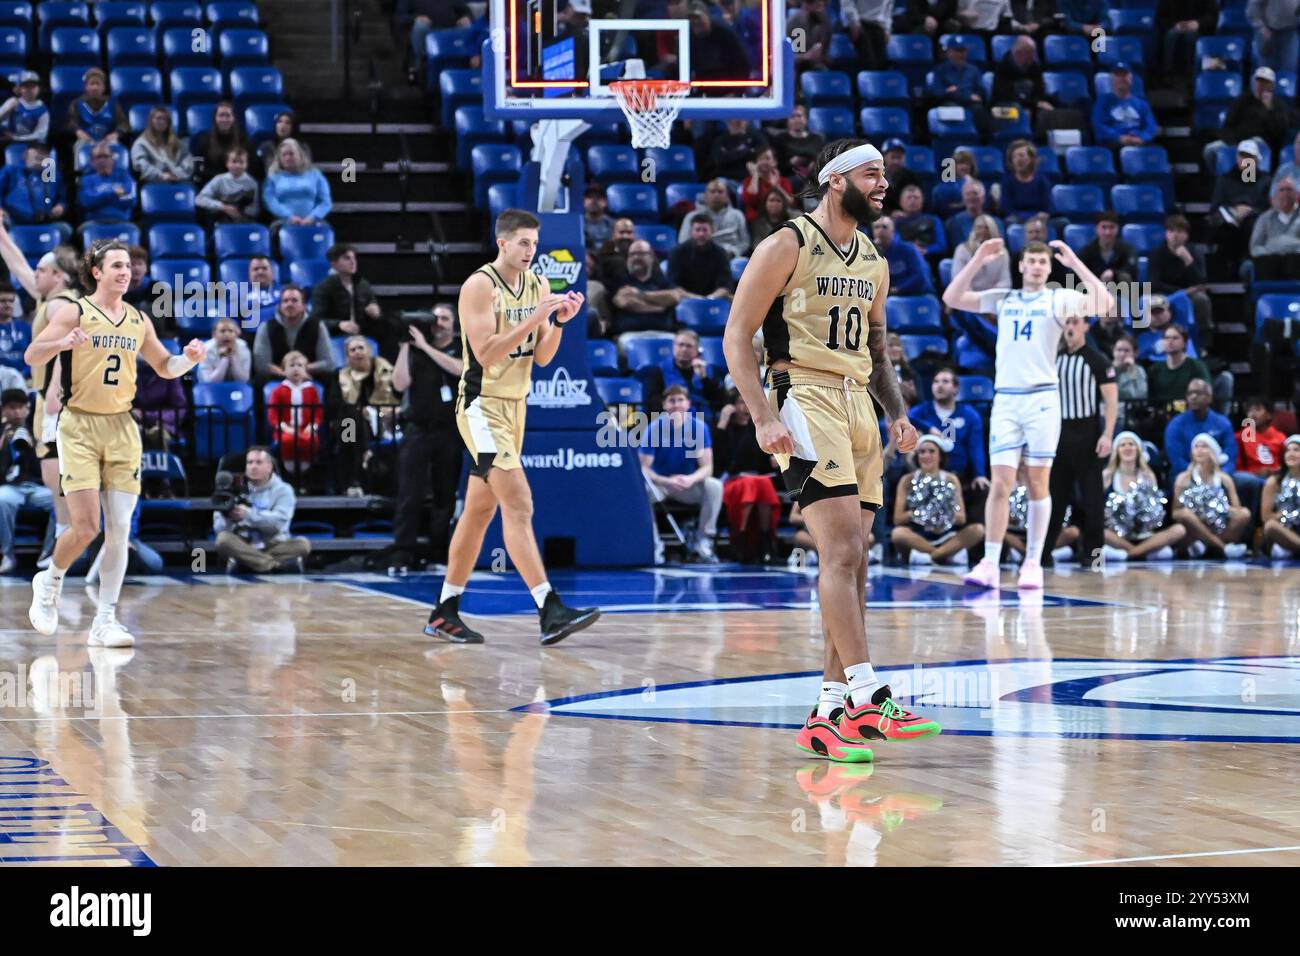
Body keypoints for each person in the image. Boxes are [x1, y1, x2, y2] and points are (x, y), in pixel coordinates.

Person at [723, 138, 939, 762]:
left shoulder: (873, 257)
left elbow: (877, 350)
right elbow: (738, 336)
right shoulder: (785, 244)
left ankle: (825, 711)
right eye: (872, 175)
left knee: (854, 563)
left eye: (884, 178)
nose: (882, 187)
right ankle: (868, 697)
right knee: (841, 550)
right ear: (834, 179)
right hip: (802, 393)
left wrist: (898, 414)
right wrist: (762, 415)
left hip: (858, 407)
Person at [423, 209, 600, 645]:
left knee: (480, 511)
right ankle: (549, 608)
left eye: (534, 244)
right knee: (518, 504)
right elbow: (484, 354)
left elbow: (542, 357)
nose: (530, 251)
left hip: (516, 409)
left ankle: (445, 611)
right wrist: (534, 317)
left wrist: (556, 322)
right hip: (481, 406)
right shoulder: (479, 286)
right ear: (501, 242)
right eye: (522, 243)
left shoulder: (539, 283)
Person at [24, 240, 206, 647]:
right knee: (87, 526)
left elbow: (165, 366)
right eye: (118, 266)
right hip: (79, 427)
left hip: (123, 428)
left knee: (119, 529)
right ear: (97, 272)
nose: (126, 272)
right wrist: (61, 344)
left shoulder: (139, 319)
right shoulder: (76, 311)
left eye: (129, 266)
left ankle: (105, 620)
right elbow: (32, 356)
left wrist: (189, 358)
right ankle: (49, 581)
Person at [945, 236, 1114, 589]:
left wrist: (1076, 264)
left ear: (1049, 268)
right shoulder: (1005, 298)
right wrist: (977, 260)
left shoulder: (1058, 298)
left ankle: (1033, 562)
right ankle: (990, 563)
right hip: (1006, 399)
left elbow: (1105, 302)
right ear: (1021, 266)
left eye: (1042, 262)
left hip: (1042, 401)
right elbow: (952, 298)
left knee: (1038, 481)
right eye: (1031, 261)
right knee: (1001, 482)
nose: (1037, 267)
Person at [0, 225, 79, 569]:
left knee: (58, 470)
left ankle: (72, 534)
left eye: (43, 270)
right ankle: (67, 532)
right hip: (46, 394)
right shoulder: (49, 298)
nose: (35, 274)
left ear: (59, 276)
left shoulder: (64, 304)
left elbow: (69, 349)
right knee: (51, 470)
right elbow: (17, 263)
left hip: (58, 397)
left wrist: (54, 395)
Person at [391, 305, 463, 569]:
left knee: (445, 493)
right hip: (418, 429)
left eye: (445, 318)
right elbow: (399, 385)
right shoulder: (415, 350)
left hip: (449, 430)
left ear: (454, 323)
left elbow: (458, 370)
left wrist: (426, 346)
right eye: (436, 318)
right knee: (410, 492)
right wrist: (406, 347)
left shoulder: (461, 346)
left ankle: (439, 551)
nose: (439, 322)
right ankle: (402, 551)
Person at [1044, 312, 1117, 565]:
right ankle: (1042, 556)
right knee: (1054, 499)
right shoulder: (1054, 359)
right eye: (1067, 322)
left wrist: (1107, 434)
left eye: (1076, 322)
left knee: (1093, 503)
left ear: (1085, 326)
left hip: (1087, 436)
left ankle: (1094, 556)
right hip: (1059, 436)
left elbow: (1111, 401)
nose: (1070, 327)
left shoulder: (1097, 360)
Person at [640, 384, 723, 563]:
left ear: (688, 404)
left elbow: (707, 468)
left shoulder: (699, 428)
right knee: (642, 491)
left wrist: (689, 479)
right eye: (672, 401)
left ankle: (704, 542)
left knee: (714, 486)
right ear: (664, 405)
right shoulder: (653, 428)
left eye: (680, 400)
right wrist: (665, 481)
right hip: (661, 484)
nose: (676, 404)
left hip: (688, 485)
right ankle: (653, 544)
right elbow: (644, 469)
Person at [213, 445, 313, 573]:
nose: (253, 466)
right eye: (250, 462)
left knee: (303, 544)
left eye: (258, 462)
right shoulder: (234, 490)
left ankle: (247, 563)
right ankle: (273, 565)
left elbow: (277, 523)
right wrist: (228, 518)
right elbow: (219, 529)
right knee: (222, 540)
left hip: (274, 544)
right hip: (243, 544)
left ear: (269, 467)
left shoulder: (284, 490)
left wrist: (248, 515)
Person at [890, 434, 985, 565]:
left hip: (947, 536)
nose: (926, 456)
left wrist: (941, 513)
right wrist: (923, 513)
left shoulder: (951, 479)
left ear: (940, 455)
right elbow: (898, 519)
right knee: (898, 534)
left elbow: (961, 517)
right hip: (918, 537)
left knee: (978, 530)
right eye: (922, 452)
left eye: (932, 451)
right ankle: (945, 555)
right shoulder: (907, 480)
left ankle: (930, 557)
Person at [713, 390, 781, 564]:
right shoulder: (724, 429)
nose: (744, 407)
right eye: (740, 402)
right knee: (753, 484)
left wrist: (773, 459)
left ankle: (766, 541)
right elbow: (718, 459)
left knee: (762, 482)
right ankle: (739, 540)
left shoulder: (757, 429)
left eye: (747, 402)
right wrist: (722, 421)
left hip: (757, 480)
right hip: (731, 480)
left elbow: (763, 462)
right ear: (732, 406)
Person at [1100, 431, 1186, 562]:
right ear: (1116, 450)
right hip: (1117, 536)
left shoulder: (1148, 475)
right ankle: (1145, 553)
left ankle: (1129, 554)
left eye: (1131, 444)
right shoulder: (1107, 475)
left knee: (1179, 530)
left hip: (1145, 535)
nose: (1127, 448)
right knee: (1101, 533)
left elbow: (1156, 508)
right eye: (1122, 445)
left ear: (1139, 450)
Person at [908, 366, 990, 501]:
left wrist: (979, 474)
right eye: (936, 381)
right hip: (926, 474)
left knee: (982, 489)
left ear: (956, 388)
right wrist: (929, 429)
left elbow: (976, 448)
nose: (939, 385)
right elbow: (906, 418)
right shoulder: (922, 411)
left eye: (945, 381)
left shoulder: (969, 415)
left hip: (959, 474)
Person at [332, 336, 397, 496]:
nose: (357, 352)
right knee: (351, 418)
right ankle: (364, 455)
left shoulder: (386, 371)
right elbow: (333, 405)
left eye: (361, 348)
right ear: (347, 356)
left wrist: (376, 411)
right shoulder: (339, 376)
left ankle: (354, 480)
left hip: (385, 422)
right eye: (352, 350)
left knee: (351, 423)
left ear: (369, 351)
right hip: (350, 428)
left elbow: (398, 399)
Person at [1171, 433, 1252, 559]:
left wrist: (1219, 509)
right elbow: (1175, 512)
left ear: (1213, 452)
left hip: (1219, 524)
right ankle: (1223, 548)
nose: (1199, 450)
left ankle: (1209, 546)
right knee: (1184, 514)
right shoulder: (1183, 478)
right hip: (1194, 525)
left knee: (1244, 514)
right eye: (1196, 447)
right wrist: (1196, 515)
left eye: (1204, 447)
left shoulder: (1224, 479)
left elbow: (1237, 509)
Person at [0, 388, 54, 573]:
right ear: (3, 410)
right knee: (1, 500)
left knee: (61, 502)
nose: (16, 412)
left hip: (38, 486)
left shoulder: (37, 430)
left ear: (27, 409)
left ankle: (49, 554)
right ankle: (6, 554)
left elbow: (46, 467)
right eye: (11, 407)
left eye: (20, 407)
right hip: (10, 487)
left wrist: (33, 444)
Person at [1207, 67, 1295, 169]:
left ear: (1272, 85)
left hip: (1261, 144)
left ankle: (1248, 181)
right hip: (1237, 141)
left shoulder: (1278, 105)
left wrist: (1268, 109)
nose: (1261, 85)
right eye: (1259, 81)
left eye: (1265, 82)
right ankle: (1221, 179)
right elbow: (1228, 124)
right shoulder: (1242, 100)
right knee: (1210, 150)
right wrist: (1232, 141)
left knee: (1251, 148)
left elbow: (1278, 133)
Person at [611, 240, 694, 345]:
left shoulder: (662, 281)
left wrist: (639, 294)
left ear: (651, 257)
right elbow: (625, 302)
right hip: (630, 335)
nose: (636, 257)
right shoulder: (621, 281)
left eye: (641, 253)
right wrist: (658, 306)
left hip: (664, 333)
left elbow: (674, 297)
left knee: (681, 344)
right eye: (632, 254)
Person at [1209, 140, 1273, 268]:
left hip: (1255, 218)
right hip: (1230, 219)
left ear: (1256, 160)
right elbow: (1216, 206)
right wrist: (1233, 211)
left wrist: (1251, 210)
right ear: (1237, 158)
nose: (1245, 160)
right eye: (1243, 156)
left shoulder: (1265, 180)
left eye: (1249, 157)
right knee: (1226, 229)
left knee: (1252, 225)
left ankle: (1248, 262)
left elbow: (1269, 206)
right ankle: (1229, 265)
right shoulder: (1225, 179)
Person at [252, 285, 335, 382]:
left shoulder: (317, 326)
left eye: (294, 300)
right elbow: (261, 364)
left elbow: (329, 363)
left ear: (304, 306)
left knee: (331, 377)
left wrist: (300, 369)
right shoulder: (266, 327)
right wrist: (287, 373)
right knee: (259, 380)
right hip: (278, 376)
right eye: (285, 301)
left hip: (309, 375)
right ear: (279, 306)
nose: (289, 304)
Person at [1163, 379, 1239, 481]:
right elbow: (1177, 460)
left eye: (1198, 393)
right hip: (1186, 474)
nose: (1193, 397)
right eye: (1190, 393)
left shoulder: (1223, 423)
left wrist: (1221, 474)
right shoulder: (1175, 424)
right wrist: (1198, 475)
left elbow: (1230, 455)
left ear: (1209, 397)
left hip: (1218, 474)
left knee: (1248, 481)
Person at [1148, 214, 1211, 334]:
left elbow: (1201, 283)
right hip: (1164, 294)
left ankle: (1202, 342)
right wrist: (1183, 292)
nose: (1175, 235)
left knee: (1202, 300)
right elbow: (1153, 284)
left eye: (1179, 231)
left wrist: (1188, 261)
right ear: (1166, 234)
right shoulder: (1156, 253)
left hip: (1190, 294)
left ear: (1186, 235)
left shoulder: (1194, 252)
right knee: (1155, 301)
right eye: (1171, 231)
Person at [310, 243, 385, 340]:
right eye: (347, 258)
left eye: (354, 258)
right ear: (334, 263)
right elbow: (316, 321)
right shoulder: (323, 288)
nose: (353, 262)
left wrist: (376, 311)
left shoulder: (363, 285)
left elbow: (374, 305)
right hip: (337, 334)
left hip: (363, 333)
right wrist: (339, 324)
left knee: (392, 326)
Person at [268, 351, 323, 477]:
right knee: (287, 440)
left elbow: (318, 412)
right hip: (286, 429)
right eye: (291, 365)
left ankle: (305, 472)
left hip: (306, 428)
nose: (296, 369)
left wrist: (313, 426)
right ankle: (290, 471)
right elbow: (273, 414)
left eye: (300, 365)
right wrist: (284, 427)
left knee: (310, 440)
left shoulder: (311, 390)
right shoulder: (278, 391)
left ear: (305, 370)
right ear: (284, 370)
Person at [263, 138, 332, 229]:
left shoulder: (315, 174)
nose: (288, 157)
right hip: (283, 223)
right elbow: (270, 201)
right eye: (284, 155)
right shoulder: (273, 177)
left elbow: (325, 202)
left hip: (313, 222)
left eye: (291, 154)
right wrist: (290, 217)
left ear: (300, 155)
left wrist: (312, 217)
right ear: (279, 158)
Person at [676, 179, 750, 258]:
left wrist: (734, 252)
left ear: (727, 197)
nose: (716, 195)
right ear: (705, 196)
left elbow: (745, 242)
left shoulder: (737, 215)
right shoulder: (691, 216)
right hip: (698, 256)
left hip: (730, 257)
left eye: (720, 192)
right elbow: (682, 241)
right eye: (712, 191)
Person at [1091, 63, 1158, 148]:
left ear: (1131, 78)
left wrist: (1142, 137)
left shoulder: (1142, 104)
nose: (1122, 79)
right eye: (1118, 75)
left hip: (1139, 143)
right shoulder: (1103, 102)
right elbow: (1099, 126)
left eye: (1125, 75)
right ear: (1112, 78)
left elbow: (1151, 127)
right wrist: (1119, 137)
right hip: (1114, 144)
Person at [667, 214, 734, 300]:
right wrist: (696, 298)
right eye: (697, 230)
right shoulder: (676, 252)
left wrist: (710, 298)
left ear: (712, 231)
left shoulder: (721, 253)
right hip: (684, 300)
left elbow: (725, 285)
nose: (701, 234)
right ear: (690, 232)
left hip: (714, 299)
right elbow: (673, 285)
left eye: (705, 230)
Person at [0, 143, 66, 227]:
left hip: (46, 222)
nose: (42, 162)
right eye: (38, 158)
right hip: (13, 222)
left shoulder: (53, 174)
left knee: (64, 229)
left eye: (45, 158)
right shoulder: (10, 171)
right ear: (25, 155)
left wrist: (61, 206)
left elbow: (62, 198)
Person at [1248, 176, 1300, 279]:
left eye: (1289, 190)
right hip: (1269, 262)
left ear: (1297, 195)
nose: (1285, 193)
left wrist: (1290, 252)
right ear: (1274, 196)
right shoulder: (1264, 218)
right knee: (1265, 263)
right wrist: (1271, 254)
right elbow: (1255, 247)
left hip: (1296, 261)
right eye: (1281, 190)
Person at [133, 355, 187, 452]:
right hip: (139, 424)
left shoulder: (170, 373)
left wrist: (149, 416)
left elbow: (180, 409)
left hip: (165, 425)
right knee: (133, 433)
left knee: (157, 434)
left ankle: (164, 465)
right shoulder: (132, 372)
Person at [189, 101, 253, 184]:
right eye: (221, 115)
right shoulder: (204, 140)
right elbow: (199, 169)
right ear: (215, 118)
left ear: (233, 118)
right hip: (211, 184)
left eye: (228, 115)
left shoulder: (243, 139)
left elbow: (251, 167)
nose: (224, 119)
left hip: (238, 184)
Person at [1146, 324, 1210, 405]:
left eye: (1175, 338)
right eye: (1167, 338)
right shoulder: (1154, 369)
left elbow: (1205, 392)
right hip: (1161, 413)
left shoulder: (1197, 366)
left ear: (1185, 343)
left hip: (1189, 412)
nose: (1170, 341)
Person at [687, 3, 751, 84]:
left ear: (707, 17)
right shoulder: (689, 37)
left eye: (698, 18)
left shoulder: (725, 33)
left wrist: (736, 93)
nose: (695, 21)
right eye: (691, 18)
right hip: (702, 89)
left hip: (728, 86)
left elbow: (743, 65)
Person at [194, 147, 260, 225]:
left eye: (241, 162)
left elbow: (255, 209)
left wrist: (239, 212)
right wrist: (223, 207)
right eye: (234, 162)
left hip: (243, 220)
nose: (237, 165)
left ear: (247, 164)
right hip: (221, 219)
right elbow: (199, 199)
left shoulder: (252, 183)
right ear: (227, 163)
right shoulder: (219, 179)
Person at [992, 35, 1052, 120]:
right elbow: (1003, 95)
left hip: (1029, 106)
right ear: (1018, 53)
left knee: (1046, 111)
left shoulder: (1034, 67)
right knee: (1020, 112)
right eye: (1029, 53)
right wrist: (1028, 105)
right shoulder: (1002, 67)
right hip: (999, 110)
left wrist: (1035, 104)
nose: (1032, 57)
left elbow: (1039, 90)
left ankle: (1041, 133)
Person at [130, 106, 193, 184]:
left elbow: (187, 162)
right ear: (151, 120)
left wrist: (176, 175)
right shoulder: (141, 143)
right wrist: (161, 175)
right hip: (153, 183)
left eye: (165, 119)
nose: (162, 121)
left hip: (177, 180)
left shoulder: (176, 143)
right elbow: (140, 165)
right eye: (158, 118)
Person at [1261, 433, 1300, 558]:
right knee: (1271, 526)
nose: (1291, 454)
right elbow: (1266, 517)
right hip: (1284, 529)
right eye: (1287, 450)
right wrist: (1287, 515)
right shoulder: (1274, 482)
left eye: (1296, 450)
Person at [77, 143, 137, 225]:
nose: (102, 160)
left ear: (112, 159)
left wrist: (100, 197)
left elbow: (131, 200)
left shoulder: (124, 176)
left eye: (106, 156)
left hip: (122, 222)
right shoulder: (86, 180)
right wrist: (115, 193)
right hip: (94, 223)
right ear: (92, 162)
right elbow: (87, 202)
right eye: (98, 157)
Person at [66, 68, 128, 146]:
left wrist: (116, 134)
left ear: (103, 88)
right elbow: (71, 122)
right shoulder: (76, 103)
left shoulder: (113, 103)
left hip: (107, 140)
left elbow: (123, 123)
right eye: (92, 84)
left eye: (98, 84)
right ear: (86, 87)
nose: (95, 88)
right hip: (85, 140)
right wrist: (78, 131)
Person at [872, 216, 933, 295]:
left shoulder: (908, 249)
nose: (880, 230)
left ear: (893, 231)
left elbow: (920, 277)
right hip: (893, 296)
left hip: (920, 294)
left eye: (884, 227)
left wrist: (898, 289)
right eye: (876, 227)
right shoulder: (872, 253)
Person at [952, 215, 1011, 290]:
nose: (983, 231)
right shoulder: (962, 250)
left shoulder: (1002, 252)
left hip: (994, 296)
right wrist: (974, 298)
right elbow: (958, 281)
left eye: (987, 228)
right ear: (973, 230)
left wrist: (990, 296)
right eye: (979, 227)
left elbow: (1005, 281)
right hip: (968, 296)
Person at [768, 105, 825, 185]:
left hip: (814, 177)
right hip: (789, 176)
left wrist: (813, 163)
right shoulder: (780, 139)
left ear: (805, 119)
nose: (796, 119)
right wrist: (790, 163)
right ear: (787, 121)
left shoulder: (817, 139)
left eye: (799, 116)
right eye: (792, 117)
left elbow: (822, 159)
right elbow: (776, 165)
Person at [1079, 211, 1136, 288]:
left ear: (1117, 229)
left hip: (1119, 292)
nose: (1107, 232)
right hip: (1093, 291)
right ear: (1097, 229)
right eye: (1104, 227)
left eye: (1111, 227)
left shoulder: (1127, 249)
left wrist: (1114, 273)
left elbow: (1131, 270)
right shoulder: (1086, 250)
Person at [1001, 140, 1053, 223]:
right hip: (1017, 220)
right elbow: (1007, 208)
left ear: (1031, 159)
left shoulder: (1042, 181)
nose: (1018, 159)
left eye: (1021, 156)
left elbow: (1047, 207)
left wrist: (1041, 216)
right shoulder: (1008, 182)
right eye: (1014, 157)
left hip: (1039, 220)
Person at [1236, 396, 1288, 479]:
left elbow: (1286, 463)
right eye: (1249, 410)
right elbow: (1237, 467)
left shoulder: (1280, 437)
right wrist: (1255, 473)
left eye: (1257, 409)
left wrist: (1277, 471)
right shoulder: (1240, 437)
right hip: (1251, 480)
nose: (1252, 414)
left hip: (1275, 477)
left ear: (1269, 415)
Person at [891, 184, 946, 259]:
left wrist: (926, 250)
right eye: (909, 197)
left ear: (922, 200)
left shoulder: (933, 220)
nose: (912, 200)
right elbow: (894, 244)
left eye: (916, 197)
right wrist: (911, 248)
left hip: (930, 259)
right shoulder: (895, 223)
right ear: (901, 202)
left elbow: (942, 245)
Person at [1247, 0, 1300, 77]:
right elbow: (1252, 9)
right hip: (1267, 31)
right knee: (1266, 72)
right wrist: (1262, 28)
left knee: (1289, 68)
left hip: (1290, 30)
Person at [707, 118, 769, 184]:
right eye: (734, 119)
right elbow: (720, 159)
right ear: (727, 122)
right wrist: (746, 151)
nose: (737, 122)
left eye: (741, 119)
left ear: (747, 121)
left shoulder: (756, 136)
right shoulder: (720, 140)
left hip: (750, 177)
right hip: (726, 179)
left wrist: (731, 154)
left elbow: (763, 152)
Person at [741, 148, 794, 223]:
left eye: (767, 158)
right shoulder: (748, 181)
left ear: (775, 162)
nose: (764, 162)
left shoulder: (783, 181)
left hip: (782, 218)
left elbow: (790, 203)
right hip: (760, 219)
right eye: (761, 159)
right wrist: (755, 175)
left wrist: (777, 186)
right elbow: (749, 201)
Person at [944, 179, 999, 250]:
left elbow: (999, 246)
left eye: (975, 193)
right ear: (963, 198)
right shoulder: (955, 222)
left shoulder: (995, 221)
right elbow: (958, 247)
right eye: (967, 194)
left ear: (983, 198)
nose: (971, 197)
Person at [0, 71, 49, 145]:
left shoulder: (43, 110)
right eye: (26, 86)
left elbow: (40, 135)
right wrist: (6, 111)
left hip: (32, 144)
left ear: (39, 89)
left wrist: (15, 137)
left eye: (33, 86)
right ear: (19, 89)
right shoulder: (12, 102)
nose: (29, 90)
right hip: (9, 142)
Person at [841, 0, 893, 69]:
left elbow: (888, 7)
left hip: (877, 25)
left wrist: (887, 28)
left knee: (882, 63)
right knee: (869, 62)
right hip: (857, 22)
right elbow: (847, 3)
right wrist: (854, 22)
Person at [199, 316, 252, 383]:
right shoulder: (206, 349)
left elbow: (244, 380)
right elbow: (210, 382)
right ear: (214, 335)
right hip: (209, 390)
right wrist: (225, 358)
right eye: (222, 331)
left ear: (236, 334)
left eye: (230, 331)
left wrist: (233, 356)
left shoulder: (243, 348)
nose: (227, 334)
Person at [1110, 335, 1147, 430]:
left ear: (1135, 353)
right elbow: (1107, 393)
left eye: (1126, 351)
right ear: (1113, 352)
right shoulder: (1108, 369)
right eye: (1118, 350)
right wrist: (1116, 370)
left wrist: (1132, 370)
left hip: (1131, 416)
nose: (1122, 354)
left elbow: (1140, 395)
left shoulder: (1138, 370)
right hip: (1109, 415)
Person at [787, 0, 833, 72]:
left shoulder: (825, 23)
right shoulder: (796, 24)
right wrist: (807, 56)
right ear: (806, 5)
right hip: (798, 70)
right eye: (818, 6)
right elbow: (788, 58)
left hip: (818, 68)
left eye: (823, 6)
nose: (821, 10)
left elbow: (824, 53)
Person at [880, 138, 922, 216]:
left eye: (899, 158)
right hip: (883, 218)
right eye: (893, 157)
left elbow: (920, 201)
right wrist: (890, 213)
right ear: (884, 157)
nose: (896, 161)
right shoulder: (877, 178)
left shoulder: (912, 177)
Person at [0, 282, 28, 369]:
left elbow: (35, 355)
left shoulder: (26, 328)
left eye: (11, 301)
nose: (8, 304)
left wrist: (23, 376)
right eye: (3, 301)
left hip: (24, 380)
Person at [581, 183, 615, 251]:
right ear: (584, 202)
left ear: (605, 202)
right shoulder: (577, 225)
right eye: (590, 197)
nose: (594, 200)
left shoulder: (614, 225)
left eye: (598, 197)